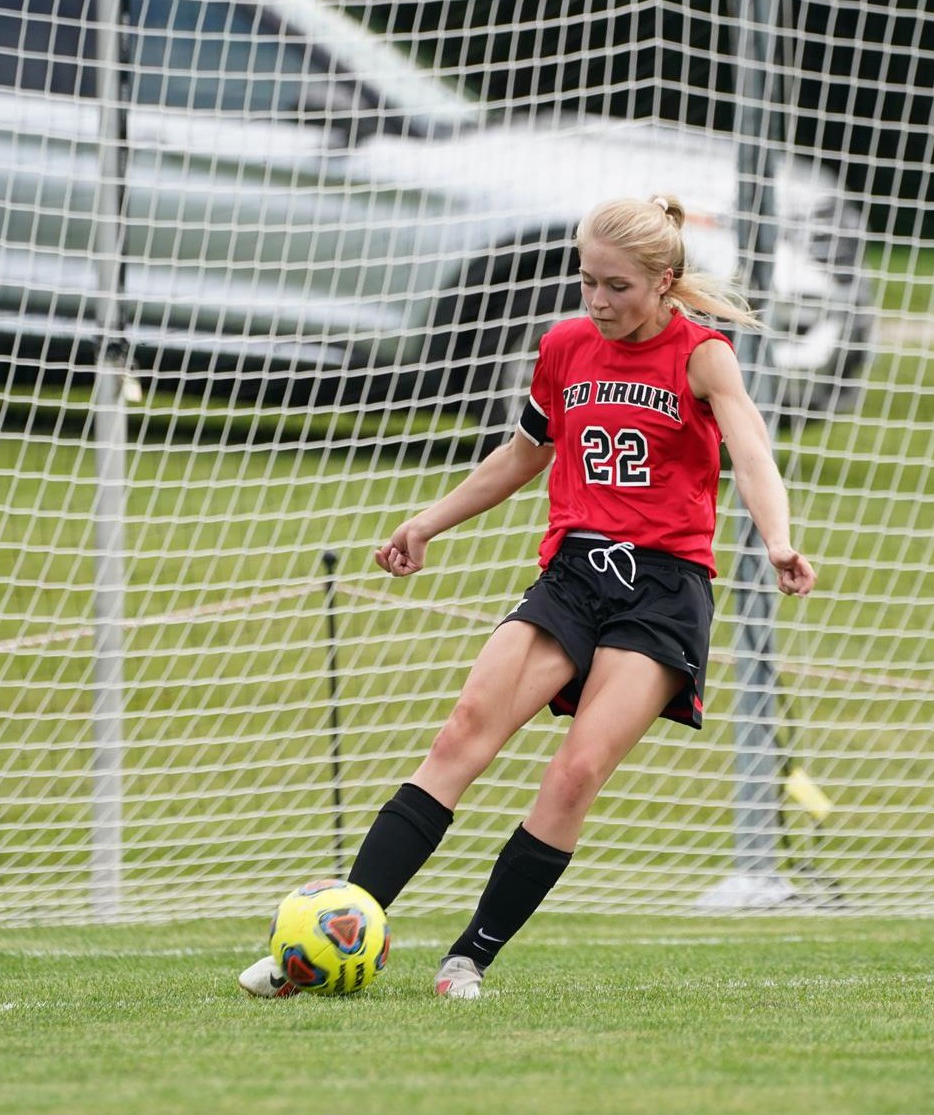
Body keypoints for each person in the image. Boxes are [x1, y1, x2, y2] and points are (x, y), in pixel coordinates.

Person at [239, 193, 814, 1001]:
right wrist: (425, 522)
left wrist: (777, 538)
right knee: (461, 736)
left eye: (618, 286)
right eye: (588, 283)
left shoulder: (703, 355)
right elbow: (521, 455)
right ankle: (325, 941)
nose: (599, 302)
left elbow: (751, 452)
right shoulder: (564, 347)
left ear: (665, 280)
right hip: (573, 576)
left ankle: (467, 958)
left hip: (662, 593)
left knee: (574, 773)